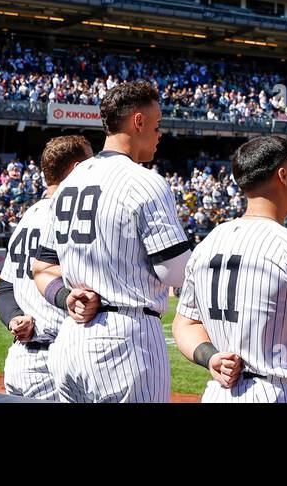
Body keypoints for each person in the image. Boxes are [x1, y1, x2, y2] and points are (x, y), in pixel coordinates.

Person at [31, 81, 238, 403]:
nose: (159, 134)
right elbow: (175, 272)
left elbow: (42, 268)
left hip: (69, 340)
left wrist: (67, 296)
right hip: (125, 339)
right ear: (138, 122)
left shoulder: (71, 180)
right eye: (156, 126)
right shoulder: (144, 181)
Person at [173, 135, 287, 403]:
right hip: (277, 391)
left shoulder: (209, 243)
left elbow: (185, 323)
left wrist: (211, 357)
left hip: (220, 392)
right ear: (283, 175)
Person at [0, 135, 91, 400]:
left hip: (19, 362)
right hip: (54, 364)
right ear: (75, 169)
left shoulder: (29, 215)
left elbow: (4, 288)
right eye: (90, 163)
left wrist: (15, 318)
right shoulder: (74, 216)